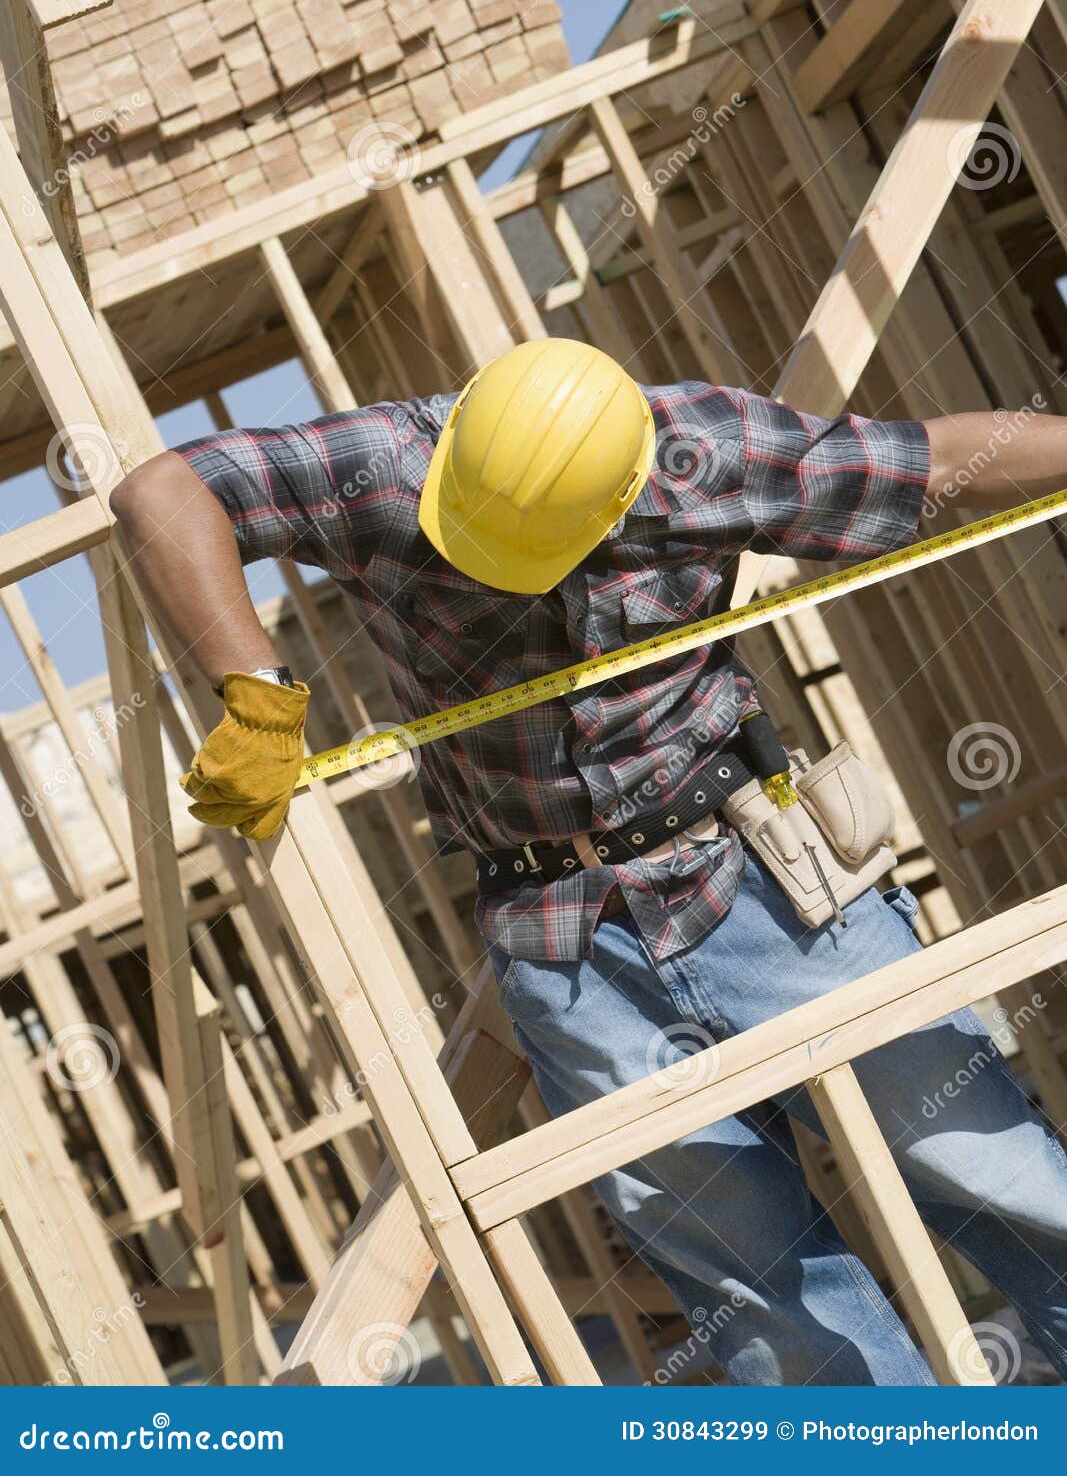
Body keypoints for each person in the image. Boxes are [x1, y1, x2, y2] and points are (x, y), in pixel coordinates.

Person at [111, 337, 1067, 1385]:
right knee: (757, 1299)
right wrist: (251, 686)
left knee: (990, 1170)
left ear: (623, 497)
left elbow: (928, 462)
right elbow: (164, 491)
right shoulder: (386, 465)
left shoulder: (699, 449)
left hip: (767, 882)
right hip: (566, 949)